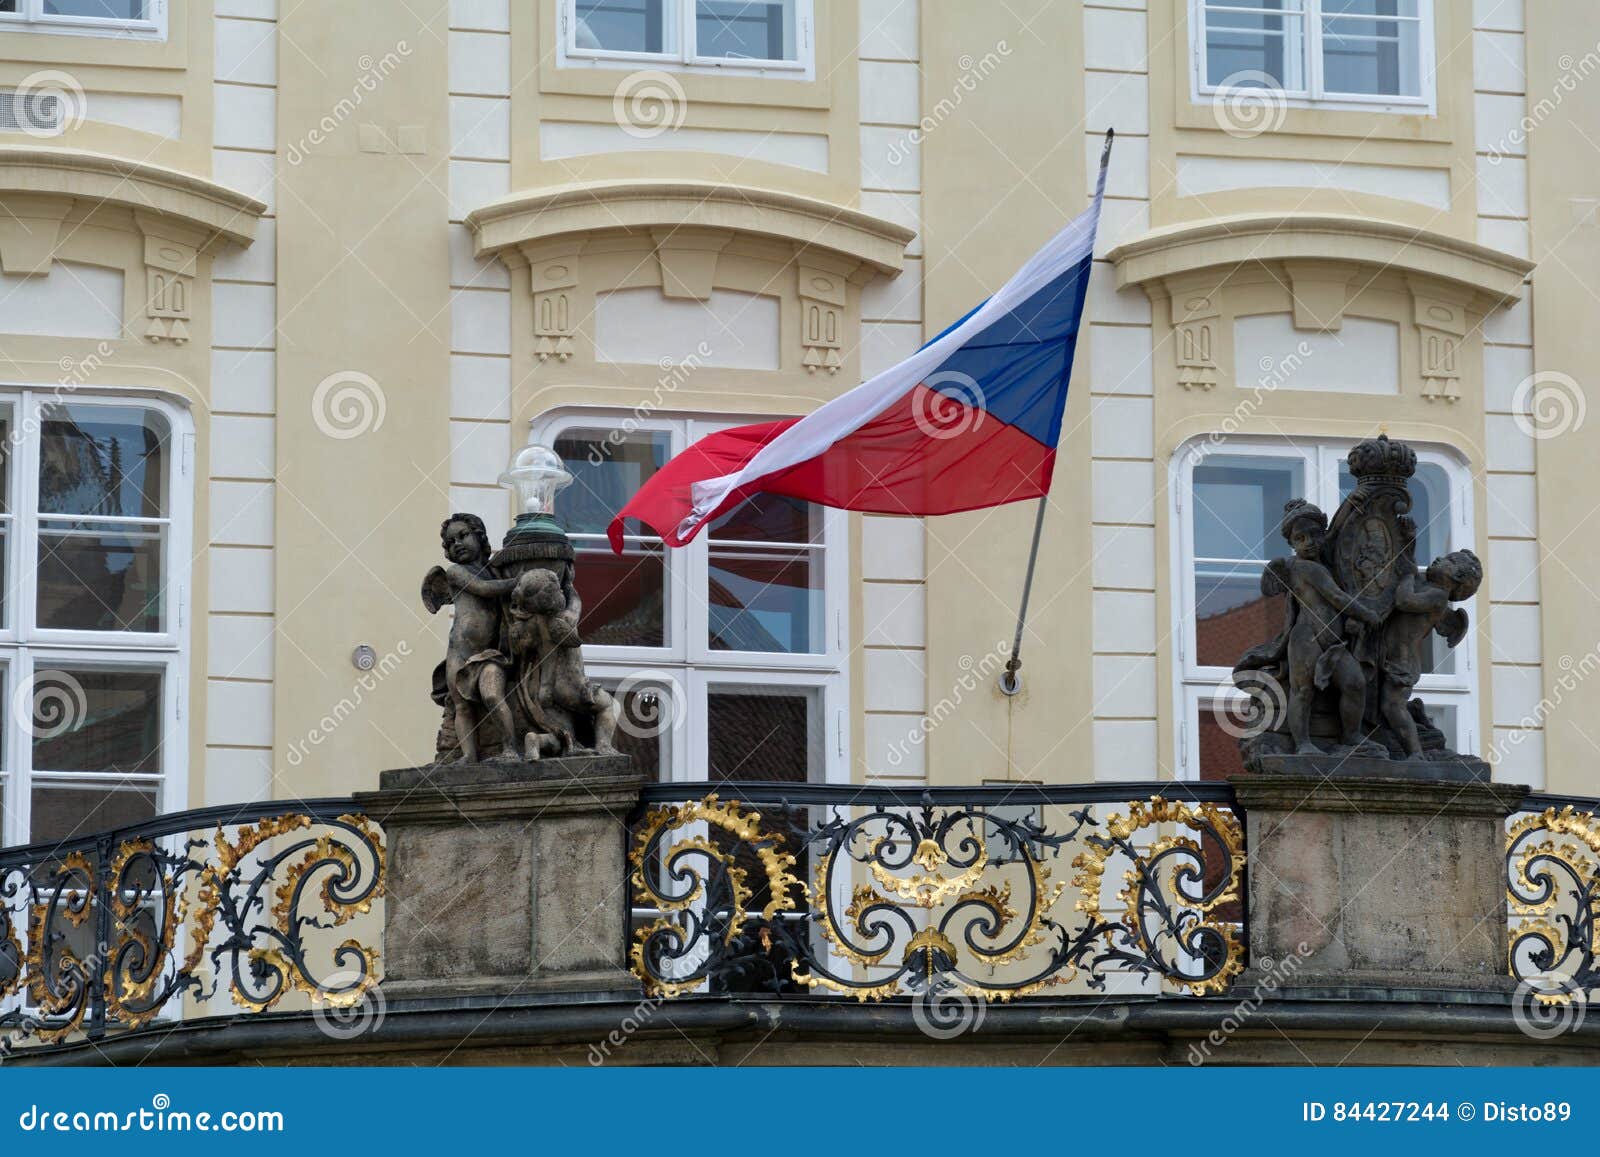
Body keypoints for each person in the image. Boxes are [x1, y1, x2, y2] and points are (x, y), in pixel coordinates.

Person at [1273, 500, 1382, 755]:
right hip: (1307, 637)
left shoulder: (1324, 562)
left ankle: (1351, 737)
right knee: (1302, 690)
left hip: (1333, 642)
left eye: (1314, 535)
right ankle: (1303, 744)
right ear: (1292, 544)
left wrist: (1352, 503)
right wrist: (1367, 614)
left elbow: (1336, 531)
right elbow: (1338, 598)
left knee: (1355, 683)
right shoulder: (1305, 568)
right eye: (1300, 538)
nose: (1309, 542)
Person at [421, 514, 519, 763]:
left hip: (490, 654)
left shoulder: (495, 571)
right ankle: (468, 755)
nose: (457, 543)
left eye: (463, 535)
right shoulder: (456, 573)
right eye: (451, 541)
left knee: (492, 695)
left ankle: (509, 749)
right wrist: (520, 581)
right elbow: (484, 590)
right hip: (459, 653)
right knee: (462, 706)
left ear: (480, 536)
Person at [1377, 550, 1482, 757]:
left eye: (1449, 561)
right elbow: (1409, 563)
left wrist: (1406, 574)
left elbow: (1404, 601)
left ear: (1458, 577)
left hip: (1403, 662)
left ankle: (1415, 753)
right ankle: (1410, 723)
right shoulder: (1426, 586)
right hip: (1390, 655)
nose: (1438, 559)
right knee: (1387, 704)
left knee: (1392, 705)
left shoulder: (1438, 597)